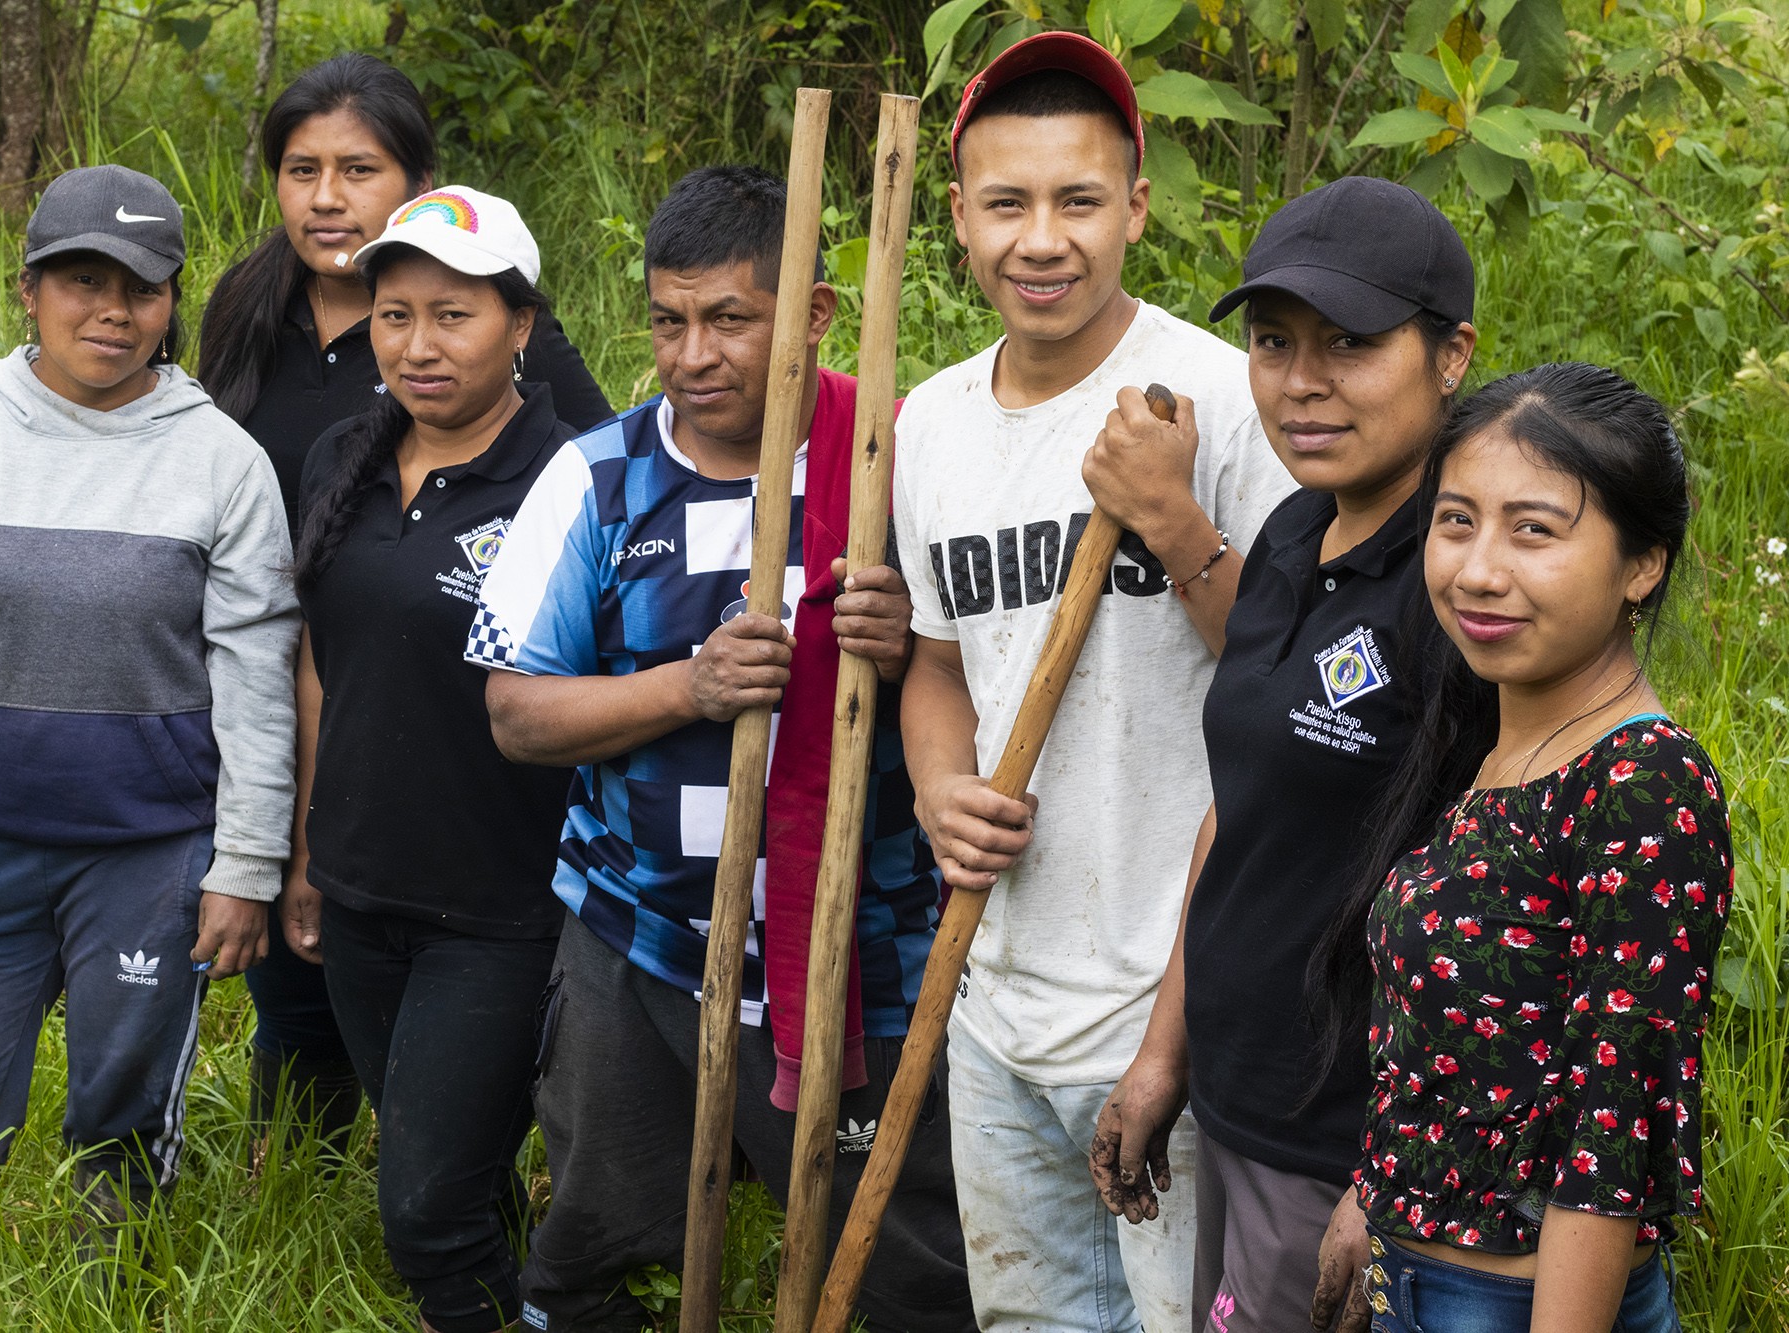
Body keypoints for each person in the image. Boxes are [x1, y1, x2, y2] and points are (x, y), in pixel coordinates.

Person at [466, 165, 975, 1333]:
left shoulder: (894, 469)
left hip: (860, 940)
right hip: (637, 937)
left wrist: (909, 652)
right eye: (669, 320)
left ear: (810, 317)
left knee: (891, 1253)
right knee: (597, 1228)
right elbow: (514, 713)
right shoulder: (596, 476)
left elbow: (997, 683)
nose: (694, 355)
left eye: (731, 319)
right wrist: (683, 686)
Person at [890, 31, 1296, 1333]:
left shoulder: (1223, 401)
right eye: (1007, 203)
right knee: (1035, 1320)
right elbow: (937, 663)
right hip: (996, 988)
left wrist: (1178, 527)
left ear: (1135, 204)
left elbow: (1301, 683)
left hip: (1173, 995)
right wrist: (940, 788)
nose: (1042, 239)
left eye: (1077, 200)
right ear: (959, 218)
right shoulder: (934, 424)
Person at [0, 166, 297, 1244]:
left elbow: (257, 678)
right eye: (81, 281)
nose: (112, 310)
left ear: (173, 299)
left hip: (151, 850)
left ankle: (108, 1266)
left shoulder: (222, 463)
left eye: (140, 288)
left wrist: (244, 863)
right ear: (28, 289)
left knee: (122, 1102)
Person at [1085, 177, 1482, 1332]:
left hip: (1350, 1137)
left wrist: (1388, 1164)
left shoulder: (1460, 584)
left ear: (1449, 354)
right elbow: (1242, 807)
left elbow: (1490, 908)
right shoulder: (1296, 530)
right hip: (1247, 1096)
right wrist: (1169, 1054)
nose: (1300, 382)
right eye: (1272, 342)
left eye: (1349, 344)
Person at [196, 52, 612, 1153]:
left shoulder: (512, 358)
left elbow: (599, 496)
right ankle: (298, 1175)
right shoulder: (248, 314)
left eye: (357, 168)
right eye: (300, 169)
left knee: (444, 1061)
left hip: (453, 736)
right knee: (300, 972)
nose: (325, 195)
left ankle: (440, 1183)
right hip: (294, 681)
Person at [1305, 361, 1732, 1331]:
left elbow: (1608, 1137)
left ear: (1641, 562)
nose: (1475, 568)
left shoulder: (1639, 785)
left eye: (1532, 529)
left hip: (1517, 1302)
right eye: (1455, 520)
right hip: (1411, 1279)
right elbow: (1460, 1047)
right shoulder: (1502, 745)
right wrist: (1370, 1197)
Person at [281, 185, 572, 1333]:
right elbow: (321, 662)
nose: (417, 344)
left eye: (452, 315)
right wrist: (309, 850)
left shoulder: (574, 477)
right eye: (393, 315)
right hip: (357, 890)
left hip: (499, 907)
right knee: (466, 1175)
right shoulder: (341, 457)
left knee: (423, 1214)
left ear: (521, 325)